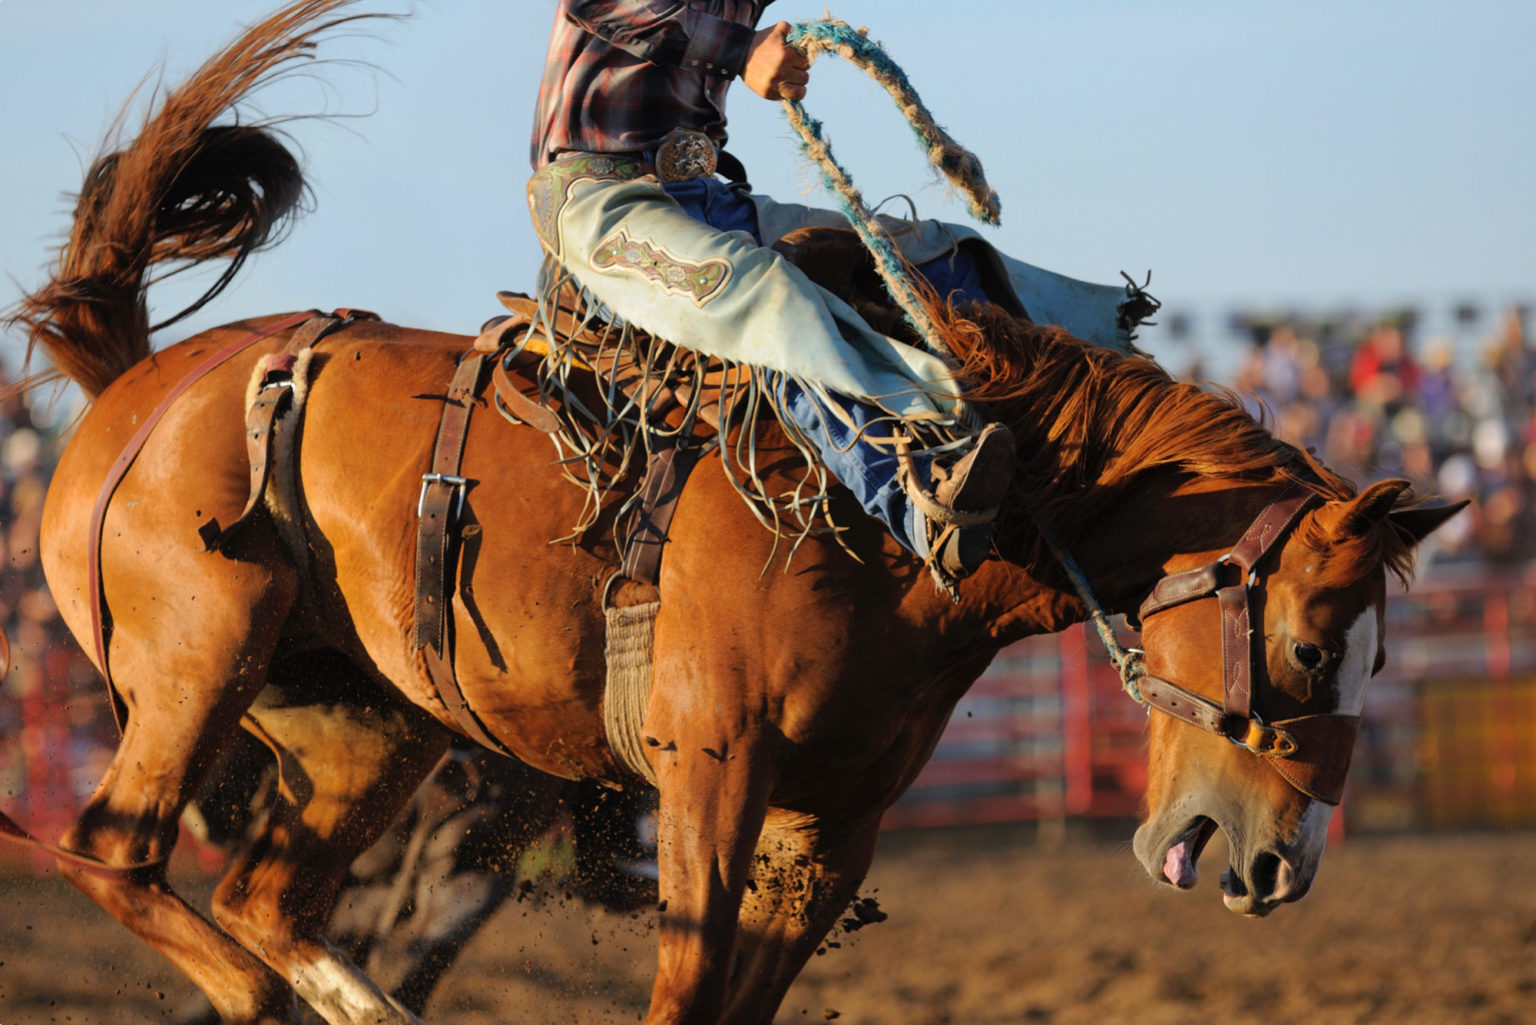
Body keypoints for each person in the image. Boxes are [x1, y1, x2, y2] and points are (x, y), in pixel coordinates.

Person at [527, 1, 1144, 585]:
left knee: (938, 257)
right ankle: (918, 504)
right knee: (774, 293)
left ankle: (1112, 403)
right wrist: (742, 49)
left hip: (710, 198)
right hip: (599, 199)